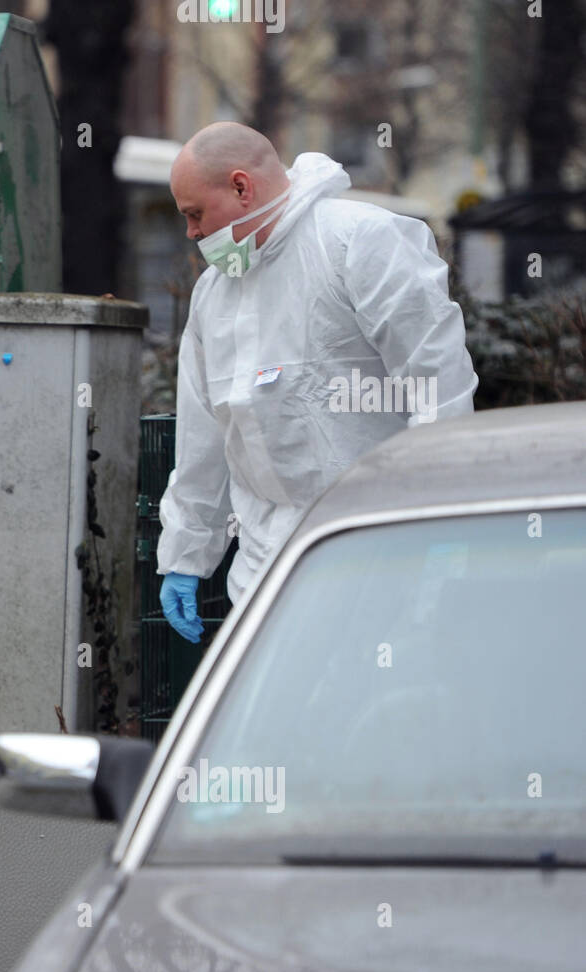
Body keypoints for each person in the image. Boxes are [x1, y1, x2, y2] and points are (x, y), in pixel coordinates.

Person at [157, 122, 478, 641]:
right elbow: (204, 436)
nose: (192, 233)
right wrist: (186, 554)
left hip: (377, 553)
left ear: (242, 187)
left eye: (195, 214)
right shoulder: (214, 294)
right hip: (264, 569)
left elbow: (438, 388)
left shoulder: (358, 243)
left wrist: (438, 520)